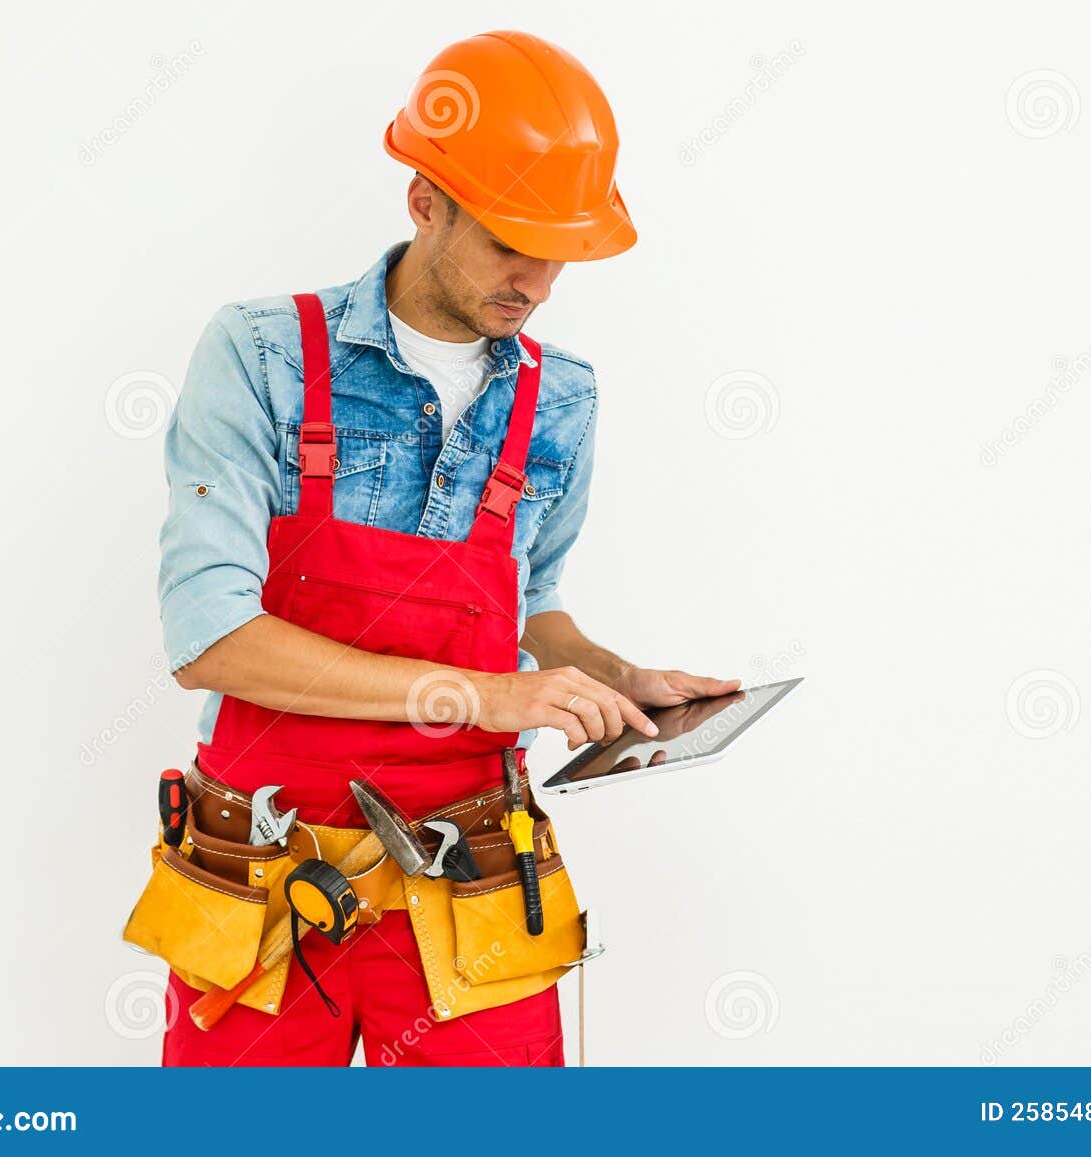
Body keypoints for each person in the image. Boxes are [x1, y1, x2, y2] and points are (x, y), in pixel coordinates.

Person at [153, 29, 736, 1067]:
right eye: (512, 238)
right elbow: (211, 637)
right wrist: (493, 696)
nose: (537, 281)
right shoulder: (260, 354)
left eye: (559, 249)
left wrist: (606, 674)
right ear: (426, 200)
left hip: (470, 875)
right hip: (267, 871)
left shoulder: (560, 397)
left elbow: (528, 608)